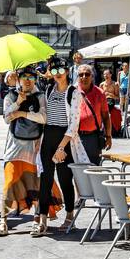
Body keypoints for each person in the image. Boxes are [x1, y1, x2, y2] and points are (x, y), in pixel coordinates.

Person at [0, 67, 50, 235]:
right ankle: (3, 221)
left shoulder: (40, 96)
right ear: (18, 79)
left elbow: (43, 118)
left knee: (36, 185)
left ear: (35, 79)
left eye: (31, 77)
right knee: (9, 182)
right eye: (24, 77)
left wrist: (20, 113)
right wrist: (18, 102)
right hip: (13, 149)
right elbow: (6, 118)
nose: (28, 80)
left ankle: (38, 220)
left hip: (34, 149)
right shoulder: (10, 96)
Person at [35, 65, 79, 237]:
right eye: (54, 71)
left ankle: (69, 215)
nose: (58, 74)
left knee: (64, 178)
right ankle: (43, 218)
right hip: (49, 136)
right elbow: (45, 117)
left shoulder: (73, 92)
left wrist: (62, 146)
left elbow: (74, 123)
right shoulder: (48, 89)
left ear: (67, 72)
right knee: (45, 179)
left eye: (61, 70)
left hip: (64, 137)